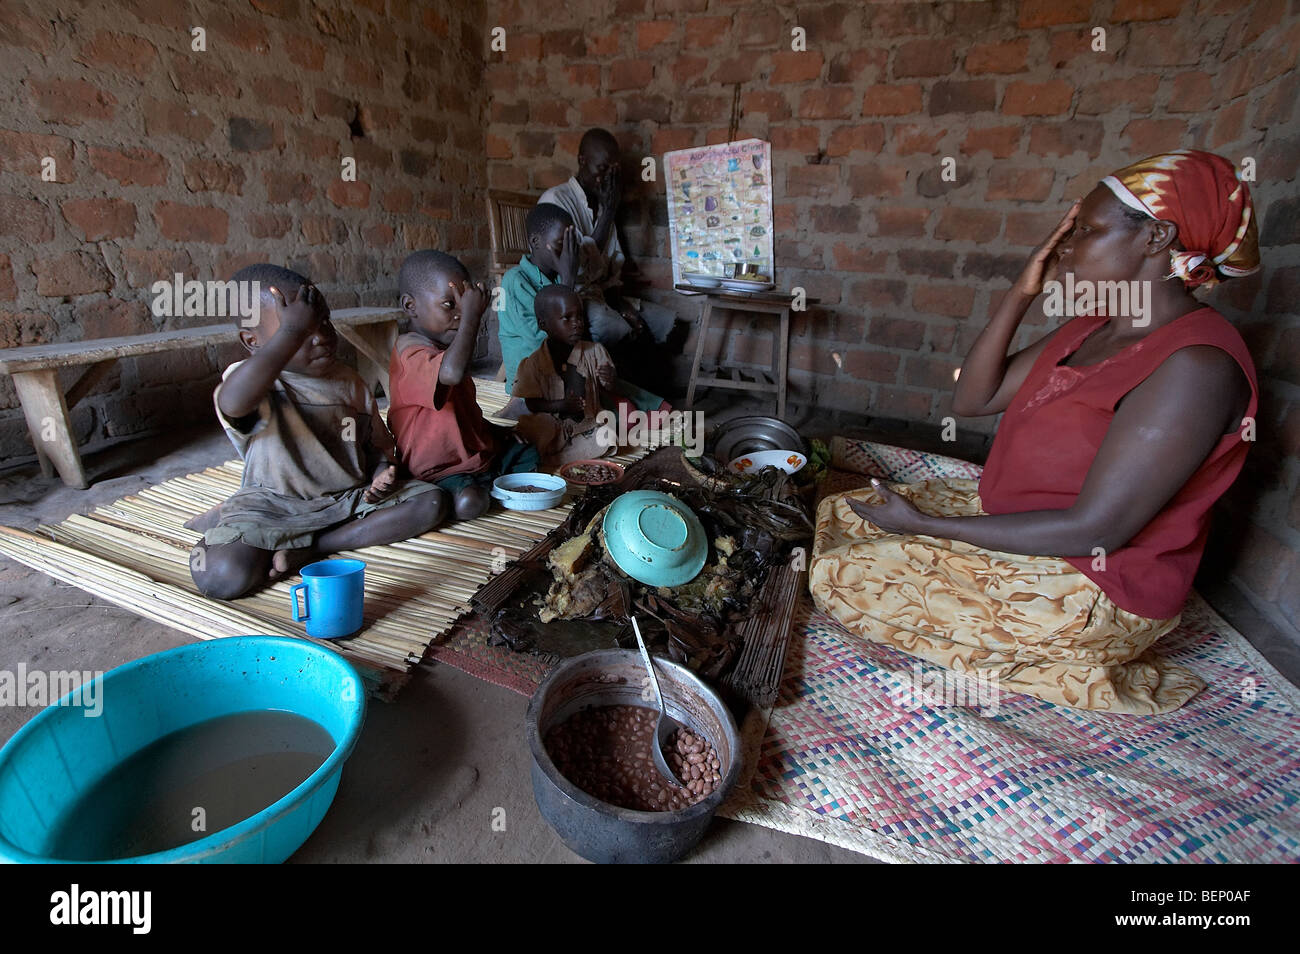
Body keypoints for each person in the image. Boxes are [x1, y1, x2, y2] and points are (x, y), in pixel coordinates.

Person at [811, 150, 1261, 715]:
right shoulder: (1093, 327)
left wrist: (927, 525)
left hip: (1092, 580)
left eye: (1087, 231)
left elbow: (1096, 529)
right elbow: (974, 398)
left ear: (1156, 237)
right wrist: (1021, 291)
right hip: (1035, 519)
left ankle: (1077, 659)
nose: (1066, 247)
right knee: (842, 512)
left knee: (839, 574)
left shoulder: (1194, 366)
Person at [190, 264, 443, 600]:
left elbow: (374, 448)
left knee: (432, 502)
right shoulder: (256, 382)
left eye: (324, 321)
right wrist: (289, 335)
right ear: (253, 342)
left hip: (346, 500)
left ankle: (313, 548)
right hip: (273, 506)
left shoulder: (350, 383)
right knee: (220, 575)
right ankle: (247, 527)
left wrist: (383, 472)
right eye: (298, 330)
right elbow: (234, 402)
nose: (321, 336)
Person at [388, 250, 539, 521]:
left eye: (464, 305)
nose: (459, 315)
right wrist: (472, 316)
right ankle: (474, 492)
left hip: (473, 456)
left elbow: (464, 415)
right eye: (450, 305)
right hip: (439, 469)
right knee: (472, 501)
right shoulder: (410, 353)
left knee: (528, 448)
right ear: (410, 306)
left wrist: (496, 431)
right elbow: (452, 373)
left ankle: (486, 483)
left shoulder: (447, 350)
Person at [539, 127, 680, 383]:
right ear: (582, 160)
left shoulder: (603, 202)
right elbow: (578, 267)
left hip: (603, 295)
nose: (607, 180)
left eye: (613, 172)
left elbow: (611, 268)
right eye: (602, 169)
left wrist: (623, 306)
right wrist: (609, 211)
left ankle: (639, 385)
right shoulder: (557, 200)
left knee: (668, 323)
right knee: (614, 327)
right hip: (571, 297)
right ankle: (620, 386)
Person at [499, 203, 666, 411]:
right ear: (535, 241)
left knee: (622, 390)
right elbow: (545, 341)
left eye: (573, 245)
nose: (569, 254)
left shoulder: (558, 275)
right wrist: (568, 277)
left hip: (566, 366)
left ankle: (660, 412)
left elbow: (576, 327)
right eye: (562, 244)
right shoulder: (516, 281)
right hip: (535, 382)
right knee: (601, 406)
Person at [511, 285, 622, 467]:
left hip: (587, 423)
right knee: (532, 429)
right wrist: (560, 405)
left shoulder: (594, 351)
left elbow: (609, 389)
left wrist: (610, 380)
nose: (577, 323)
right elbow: (532, 404)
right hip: (552, 424)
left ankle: (555, 458)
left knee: (606, 434)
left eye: (579, 316)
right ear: (543, 324)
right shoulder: (533, 363)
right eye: (567, 318)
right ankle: (564, 455)